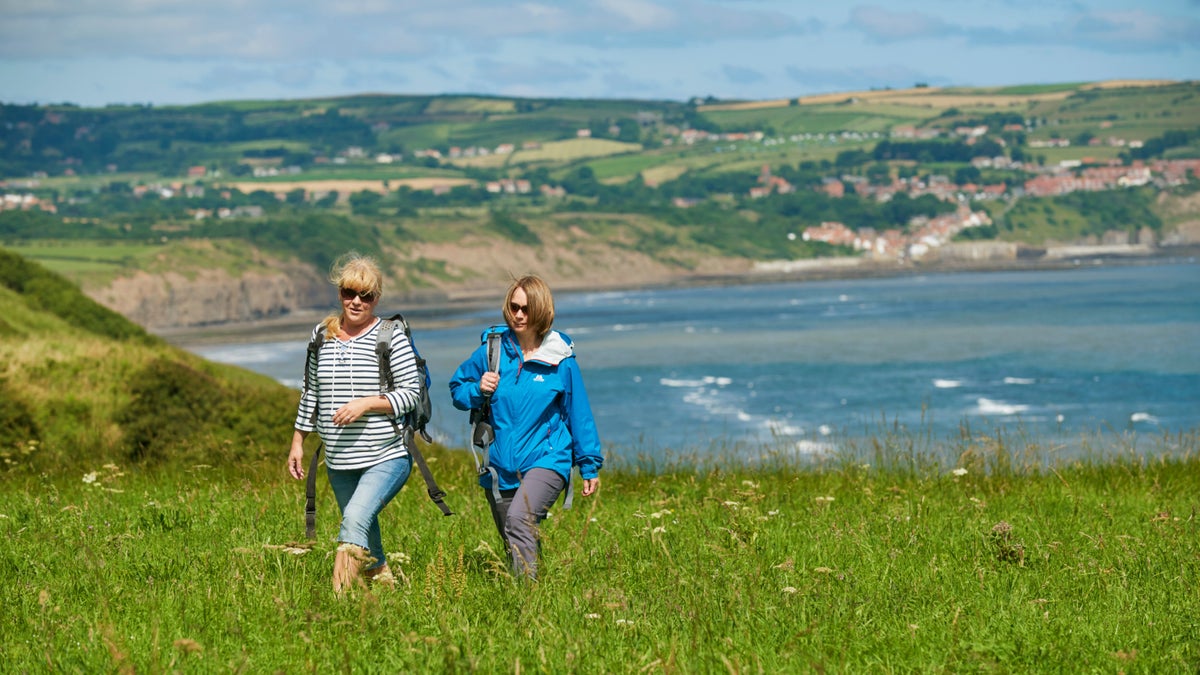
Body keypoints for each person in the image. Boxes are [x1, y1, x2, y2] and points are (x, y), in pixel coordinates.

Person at [449, 275, 603, 580]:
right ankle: (539, 597)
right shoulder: (491, 352)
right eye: (514, 307)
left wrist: (589, 464)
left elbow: (578, 412)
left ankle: (528, 602)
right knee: (514, 539)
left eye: (526, 309)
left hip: (548, 458)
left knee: (519, 521)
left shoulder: (561, 360)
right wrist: (478, 389)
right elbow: (457, 389)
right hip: (500, 464)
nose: (518, 315)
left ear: (541, 311)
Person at [287, 253, 421, 593]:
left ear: (377, 298)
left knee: (353, 524)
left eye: (366, 295)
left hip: (386, 456)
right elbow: (311, 392)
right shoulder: (322, 335)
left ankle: (337, 604)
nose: (356, 301)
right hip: (339, 459)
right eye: (349, 292)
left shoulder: (391, 336)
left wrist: (366, 404)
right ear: (339, 293)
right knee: (365, 532)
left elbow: (411, 394)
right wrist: (298, 441)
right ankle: (385, 590)